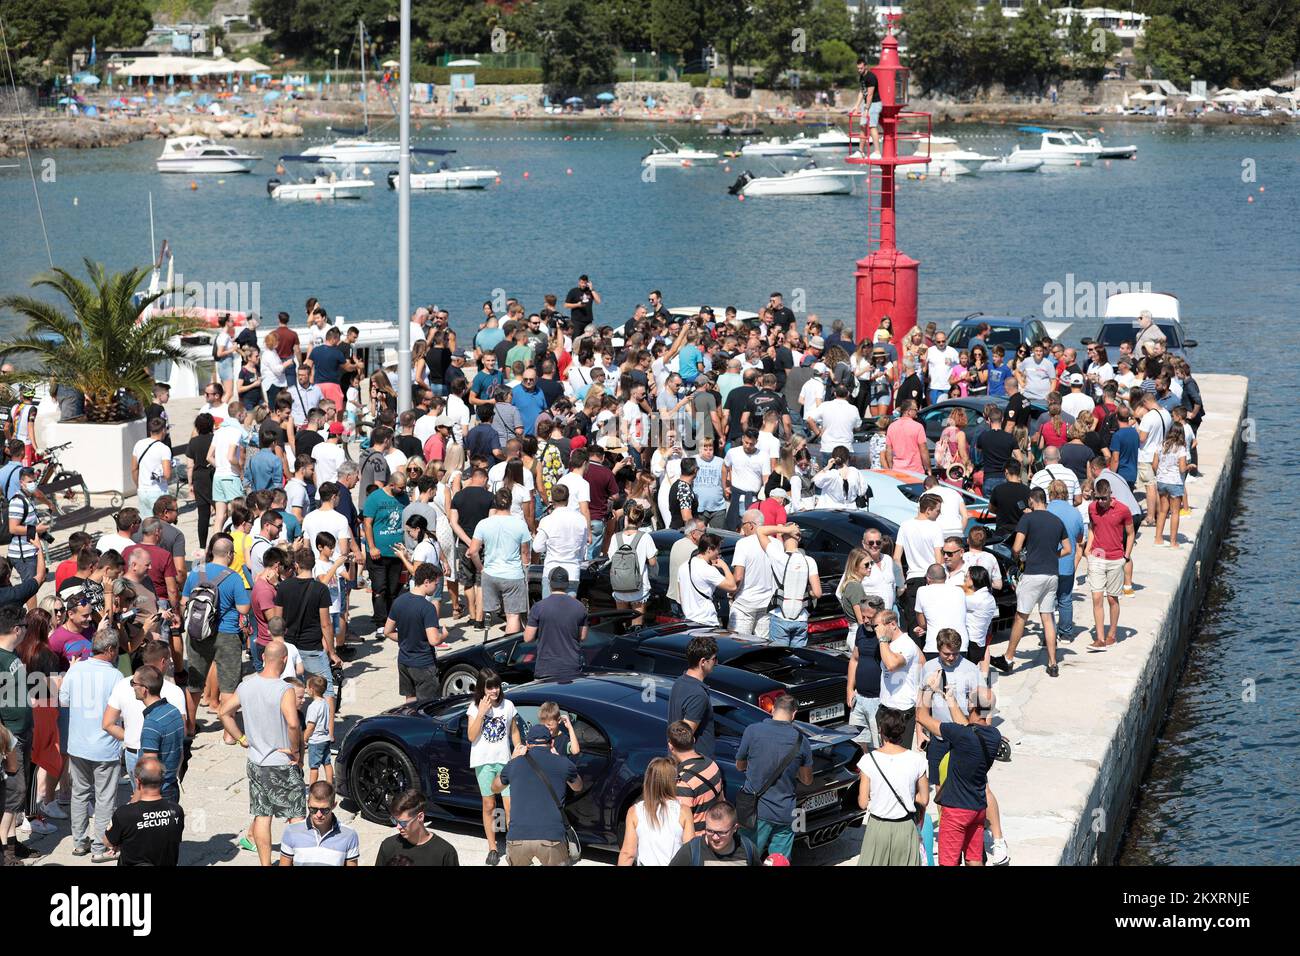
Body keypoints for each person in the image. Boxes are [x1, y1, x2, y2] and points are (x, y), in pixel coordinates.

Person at [219, 641, 304, 867]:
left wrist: (241, 738)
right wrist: (295, 751)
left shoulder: (246, 685)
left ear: (264, 657)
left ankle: (265, 864)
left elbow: (224, 712)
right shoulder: (283, 689)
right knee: (295, 815)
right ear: (285, 660)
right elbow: (293, 724)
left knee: (262, 816)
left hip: (256, 761)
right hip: (281, 761)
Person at [915, 682, 1003, 867]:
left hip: (956, 811)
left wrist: (927, 689)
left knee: (948, 862)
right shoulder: (994, 735)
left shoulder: (961, 735)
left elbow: (921, 716)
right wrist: (951, 700)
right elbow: (968, 725)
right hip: (978, 808)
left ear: (971, 707)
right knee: (974, 859)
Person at [59, 628, 125, 862]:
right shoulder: (116, 677)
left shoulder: (75, 670)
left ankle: (79, 843)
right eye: (117, 649)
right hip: (105, 747)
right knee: (105, 797)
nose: (118, 653)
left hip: (78, 745)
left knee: (79, 794)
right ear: (109, 650)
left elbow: (63, 701)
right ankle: (99, 846)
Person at [991, 488, 1070, 677]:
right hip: (1052, 574)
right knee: (1048, 617)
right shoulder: (1057, 521)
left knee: (1021, 616)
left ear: (1032, 501)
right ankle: (1052, 663)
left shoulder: (1027, 519)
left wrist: (1021, 557)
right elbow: (1067, 549)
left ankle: (1008, 658)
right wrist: (1052, 555)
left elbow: (1016, 547)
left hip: (1033, 573)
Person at [735, 692, 813, 859]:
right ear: (794, 714)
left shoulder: (752, 731)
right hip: (787, 812)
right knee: (780, 861)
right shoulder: (802, 740)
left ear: (772, 710)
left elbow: (740, 765)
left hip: (755, 812)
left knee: (746, 858)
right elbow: (807, 780)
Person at [274, 549, 341, 741]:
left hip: (288, 646)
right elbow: (325, 623)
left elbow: (278, 619)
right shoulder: (320, 589)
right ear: (313, 565)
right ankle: (328, 733)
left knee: (287, 688)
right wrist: (332, 651)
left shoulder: (284, 587)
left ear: (296, 565)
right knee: (326, 690)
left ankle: (286, 728)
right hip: (312, 647)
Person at [493, 723, 582, 866]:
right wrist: (559, 758)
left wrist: (512, 760)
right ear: (551, 742)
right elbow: (578, 786)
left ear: (527, 744)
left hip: (518, 837)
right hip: (552, 838)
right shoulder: (564, 763)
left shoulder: (514, 764)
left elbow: (495, 787)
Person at [855, 705, 928, 866]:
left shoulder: (868, 760)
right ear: (902, 731)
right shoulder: (917, 761)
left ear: (881, 730)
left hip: (878, 828)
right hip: (905, 827)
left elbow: (862, 803)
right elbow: (923, 799)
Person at [469, 668, 522, 866]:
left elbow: (514, 731)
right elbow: (471, 736)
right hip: (483, 763)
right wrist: (482, 713)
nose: (494, 691)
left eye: (497, 686)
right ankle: (492, 847)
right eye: (490, 687)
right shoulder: (474, 708)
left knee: (510, 807)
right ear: (482, 688)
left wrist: (518, 749)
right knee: (489, 805)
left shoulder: (508, 705)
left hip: (504, 762)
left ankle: (512, 848)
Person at [102, 756, 185, 867]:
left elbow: (108, 842)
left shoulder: (124, 814)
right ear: (162, 781)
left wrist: (120, 842)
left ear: (138, 782)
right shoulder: (176, 810)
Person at [469, 488, 532, 632]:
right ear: (511, 503)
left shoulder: (483, 524)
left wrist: (481, 569)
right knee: (513, 616)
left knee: (489, 615)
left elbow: (473, 551)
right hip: (513, 575)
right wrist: (525, 568)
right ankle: (510, 648)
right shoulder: (520, 524)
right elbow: (525, 552)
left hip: (490, 573)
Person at [385, 563, 445, 701]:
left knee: (410, 701)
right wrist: (444, 635)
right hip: (423, 664)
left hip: (404, 661)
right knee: (427, 705)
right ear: (426, 582)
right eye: (436, 584)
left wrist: (406, 638)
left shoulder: (399, 601)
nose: (437, 587)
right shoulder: (428, 608)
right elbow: (434, 640)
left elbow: (387, 631)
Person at [618, 757, 694, 866]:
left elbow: (627, 854)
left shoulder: (635, 811)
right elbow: (690, 853)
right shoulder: (684, 812)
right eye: (677, 778)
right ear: (671, 782)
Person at [1086, 478, 1134, 648]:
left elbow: (1130, 533)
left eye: (1103, 498)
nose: (1100, 502)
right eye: (1097, 498)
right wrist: (1088, 549)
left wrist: (1126, 556)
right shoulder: (1092, 508)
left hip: (1115, 560)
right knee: (1096, 597)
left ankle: (1112, 633)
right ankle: (1099, 638)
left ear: (1110, 495)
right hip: (1097, 558)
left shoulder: (1123, 510)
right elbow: (1092, 527)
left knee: (1112, 599)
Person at [363, 469, 409, 638]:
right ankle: (380, 622)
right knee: (379, 588)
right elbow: (367, 523)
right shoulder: (375, 498)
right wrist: (372, 546)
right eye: (400, 487)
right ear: (391, 485)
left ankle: (392, 621)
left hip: (397, 552)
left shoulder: (403, 498)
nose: (403, 491)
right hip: (378, 553)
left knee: (394, 589)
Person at [523, 568, 588, 681]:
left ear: (549, 584)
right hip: (572, 667)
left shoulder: (538, 607)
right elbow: (583, 636)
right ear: (567, 584)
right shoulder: (580, 607)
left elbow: (528, 638)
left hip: (546, 669)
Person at [450, 468, 494, 627]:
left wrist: (469, 541)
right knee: (481, 580)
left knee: (467, 579)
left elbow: (453, 522)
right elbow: (491, 521)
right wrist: (477, 542)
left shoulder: (458, 496)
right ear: (484, 479)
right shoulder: (490, 497)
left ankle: (472, 614)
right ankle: (480, 619)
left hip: (464, 543)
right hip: (484, 544)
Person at [278, 781, 359, 866]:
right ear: (307, 803)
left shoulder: (349, 835)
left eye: (325, 810)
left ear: (334, 806)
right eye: (313, 809)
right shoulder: (291, 832)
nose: (319, 815)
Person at [1046, 479, 1087, 639]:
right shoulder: (1074, 512)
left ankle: (1047, 636)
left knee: (1048, 601)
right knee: (1065, 599)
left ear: (1050, 493)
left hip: (1047, 563)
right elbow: (1079, 538)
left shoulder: (1046, 510)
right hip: (1067, 564)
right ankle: (1066, 633)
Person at [668, 720, 724, 837]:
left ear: (671, 747)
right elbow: (721, 801)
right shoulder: (711, 764)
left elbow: (681, 825)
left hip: (694, 844)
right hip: (710, 837)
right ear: (693, 740)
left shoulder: (683, 782)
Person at [376, 789, 459, 866]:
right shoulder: (388, 846)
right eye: (395, 821)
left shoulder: (445, 853)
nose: (398, 827)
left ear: (420, 817)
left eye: (403, 823)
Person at [531, 484, 586, 598]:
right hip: (572, 571)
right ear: (568, 498)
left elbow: (537, 547)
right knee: (569, 613)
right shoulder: (581, 519)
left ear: (552, 499)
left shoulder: (547, 520)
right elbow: (583, 548)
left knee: (549, 612)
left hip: (552, 570)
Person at [607, 502, 657, 623]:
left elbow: (611, 559)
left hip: (619, 585)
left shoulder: (616, 537)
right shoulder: (645, 537)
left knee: (621, 621)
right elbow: (652, 562)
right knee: (637, 625)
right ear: (641, 520)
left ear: (626, 518)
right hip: (638, 587)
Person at [669, 801, 760, 866]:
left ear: (735, 828)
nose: (715, 837)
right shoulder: (692, 850)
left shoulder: (748, 848)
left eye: (721, 832)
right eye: (710, 831)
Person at [676, 532, 737, 627]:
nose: (719, 552)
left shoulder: (683, 566)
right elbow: (732, 586)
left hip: (688, 620)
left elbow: (681, 595)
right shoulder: (708, 570)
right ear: (709, 549)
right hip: (706, 621)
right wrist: (724, 566)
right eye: (717, 549)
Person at [913, 563, 969, 656]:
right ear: (946, 577)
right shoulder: (959, 590)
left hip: (935, 645)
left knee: (934, 671)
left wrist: (924, 628)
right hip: (959, 645)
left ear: (928, 578)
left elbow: (922, 623)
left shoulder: (922, 591)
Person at [1152, 425, 1189, 548]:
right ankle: (1173, 542)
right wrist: (1190, 466)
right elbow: (1182, 468)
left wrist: (1161, 473)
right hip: (1175, 482)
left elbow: (1154, 465)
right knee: (1175, 513)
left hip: (1162, 481)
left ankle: (1158, 538)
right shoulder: (1181, 448)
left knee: (1163, 511)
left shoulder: (1161, 445)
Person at [131, 416, 173, 517]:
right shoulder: (164, 449)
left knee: (146, 524)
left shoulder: (139, 444)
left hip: (143, 491)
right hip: (158, 491)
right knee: (160, 525)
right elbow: (167, 475)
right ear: (163, 430)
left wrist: (139, 486)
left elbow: (134, 469)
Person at [882, 400, 929, 476]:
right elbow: (923, 450)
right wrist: (928, 468)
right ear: (909, 411)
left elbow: (889, 450)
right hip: (915, 471)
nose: (917, 411)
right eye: (915, 410)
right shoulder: (918, 427)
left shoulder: (891, 426)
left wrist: (891, 467)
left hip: (897, 471)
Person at [303, 674, 333, 785]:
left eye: (306, 687)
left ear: (311, 689)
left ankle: (312, 787)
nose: (306, 690)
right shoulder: (325, 703)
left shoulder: (313, 707)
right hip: (325, 738)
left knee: (314, 766)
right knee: (327, 763)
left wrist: (304, 739)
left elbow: (311, 726)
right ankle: (330, 784)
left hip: (315, 740)